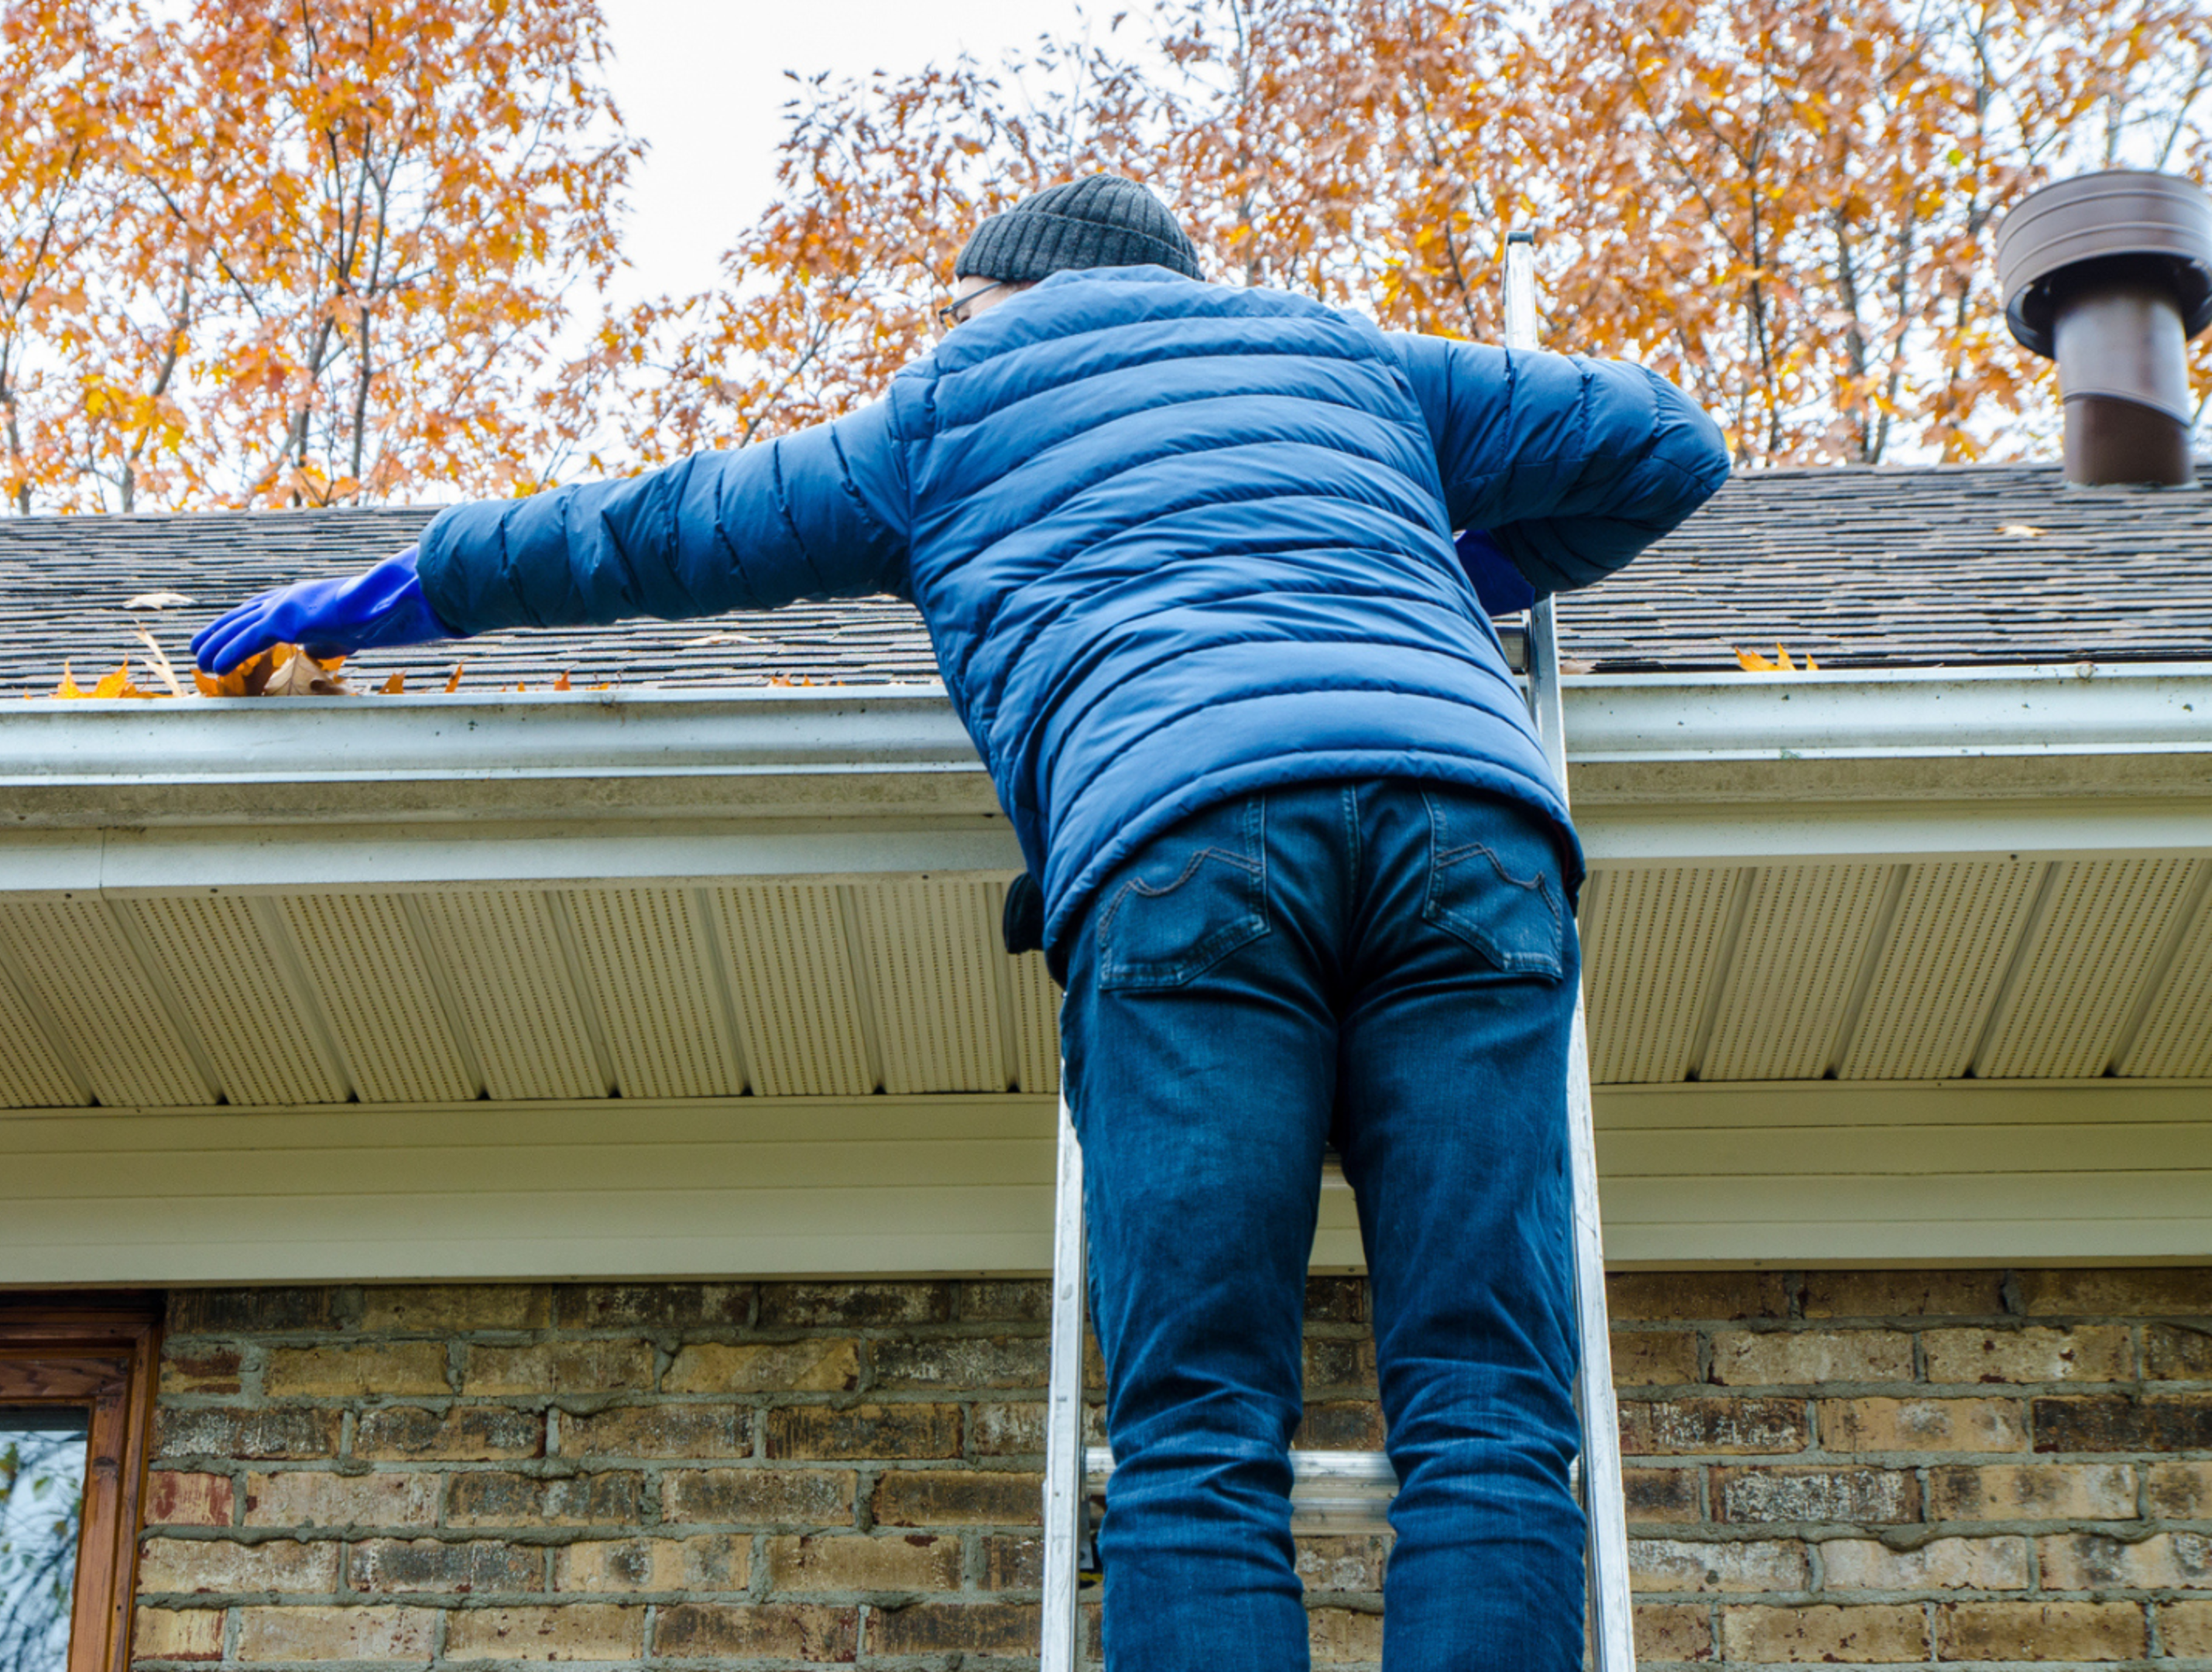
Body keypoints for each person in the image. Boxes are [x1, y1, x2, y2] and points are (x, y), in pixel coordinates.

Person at [192, 174, 1729, 1670]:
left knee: (1199, 1429)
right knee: (1490, 1410)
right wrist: (1472, 573)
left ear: (1000, 299)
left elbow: (649, 530)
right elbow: (1668, 445)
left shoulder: (950, 403)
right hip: (1470, 834)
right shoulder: (1351, 357)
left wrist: (384, 594)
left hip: (1184, 838)